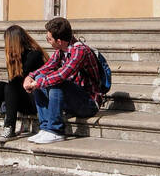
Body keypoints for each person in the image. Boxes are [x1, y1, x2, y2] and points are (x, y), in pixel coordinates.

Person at [22, 16, 103, 145]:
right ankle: (45, 127)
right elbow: (47, 67)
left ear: (59, 41)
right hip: (72, 100)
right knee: (40, 77)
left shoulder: (80, 51)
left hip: (88, 103)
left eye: (49, 39)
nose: (48, 41)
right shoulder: (61, 50)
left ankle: (55, 130)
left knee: (55, 82)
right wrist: (30, 77)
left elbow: (62, 75)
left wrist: (37, 84)